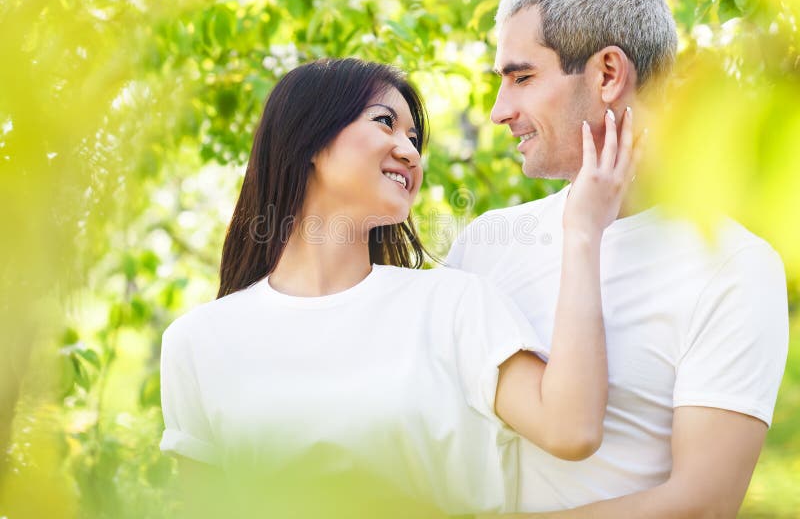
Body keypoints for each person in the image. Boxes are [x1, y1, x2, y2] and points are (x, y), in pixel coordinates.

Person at [159, 58, 636, 518]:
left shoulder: (454, 305)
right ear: (308, 137)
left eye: (413, 138)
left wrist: (583, 232)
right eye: (385, 123)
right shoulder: (197, 342)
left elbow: (570, 427)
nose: (410, 151)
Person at [447, 0, 789, 517]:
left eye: (523, 78)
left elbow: (702, 504)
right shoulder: (485, 243)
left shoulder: (734, 266)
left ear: (608, 74)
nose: (498, 111)